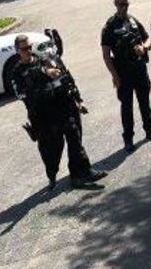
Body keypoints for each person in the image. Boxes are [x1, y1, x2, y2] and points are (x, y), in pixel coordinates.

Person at [12, 33, 106, 190]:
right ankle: (52, 174)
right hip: (43, 116)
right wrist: (42, 75)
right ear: (17, 51)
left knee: (74, 138)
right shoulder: (17, 72)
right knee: (52, 150)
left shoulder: (43, 59)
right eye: (24, 49)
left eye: (29, 47)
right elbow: (21, 94)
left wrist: (78, 99)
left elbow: (65, 78)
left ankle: (82, 173)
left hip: (63, 106)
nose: (28, 51)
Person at [101, 0, 151, 151]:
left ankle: (150, 130)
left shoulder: (133, 21)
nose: (124, 7)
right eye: (121, 4)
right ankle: (128, 139)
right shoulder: (109, 26)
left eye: (126, 4)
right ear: (115, 4)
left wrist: (144, 47)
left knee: (144, 102)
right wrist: (114, 76)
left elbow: (149, 39)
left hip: (139, 68)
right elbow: (106, 55)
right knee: (127, 107)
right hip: (123, 73)